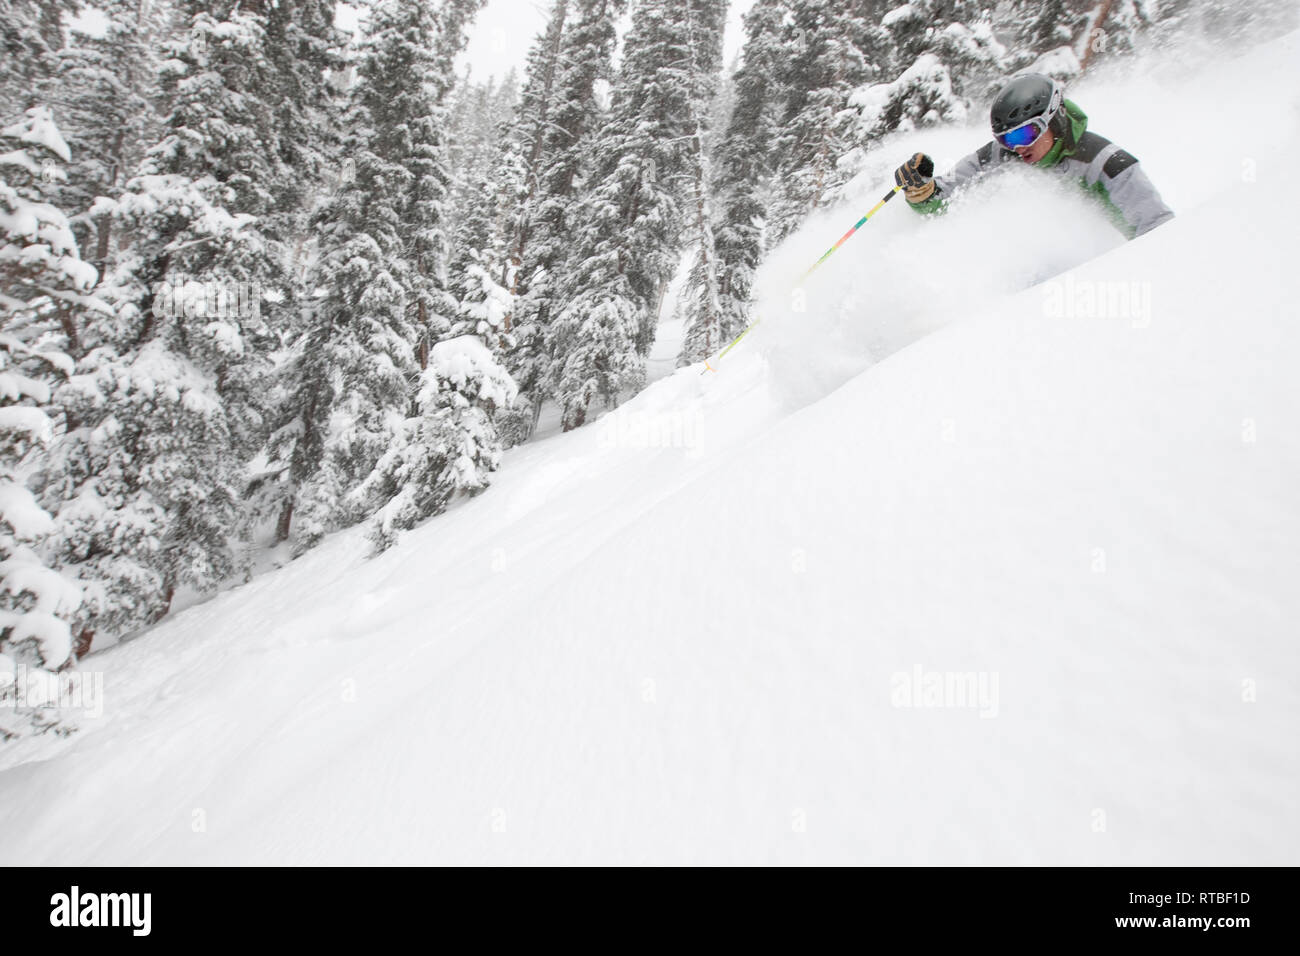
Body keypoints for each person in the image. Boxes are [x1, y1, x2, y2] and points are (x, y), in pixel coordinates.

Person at [894, 74, 1174, 239]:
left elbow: (1159, 233)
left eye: (1024, 135)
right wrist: (921, 190)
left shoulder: (1107, 165)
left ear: (1055, 118)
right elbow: (946, 198)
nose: (1016, 148)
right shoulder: (999, 155)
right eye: (1005, 138)